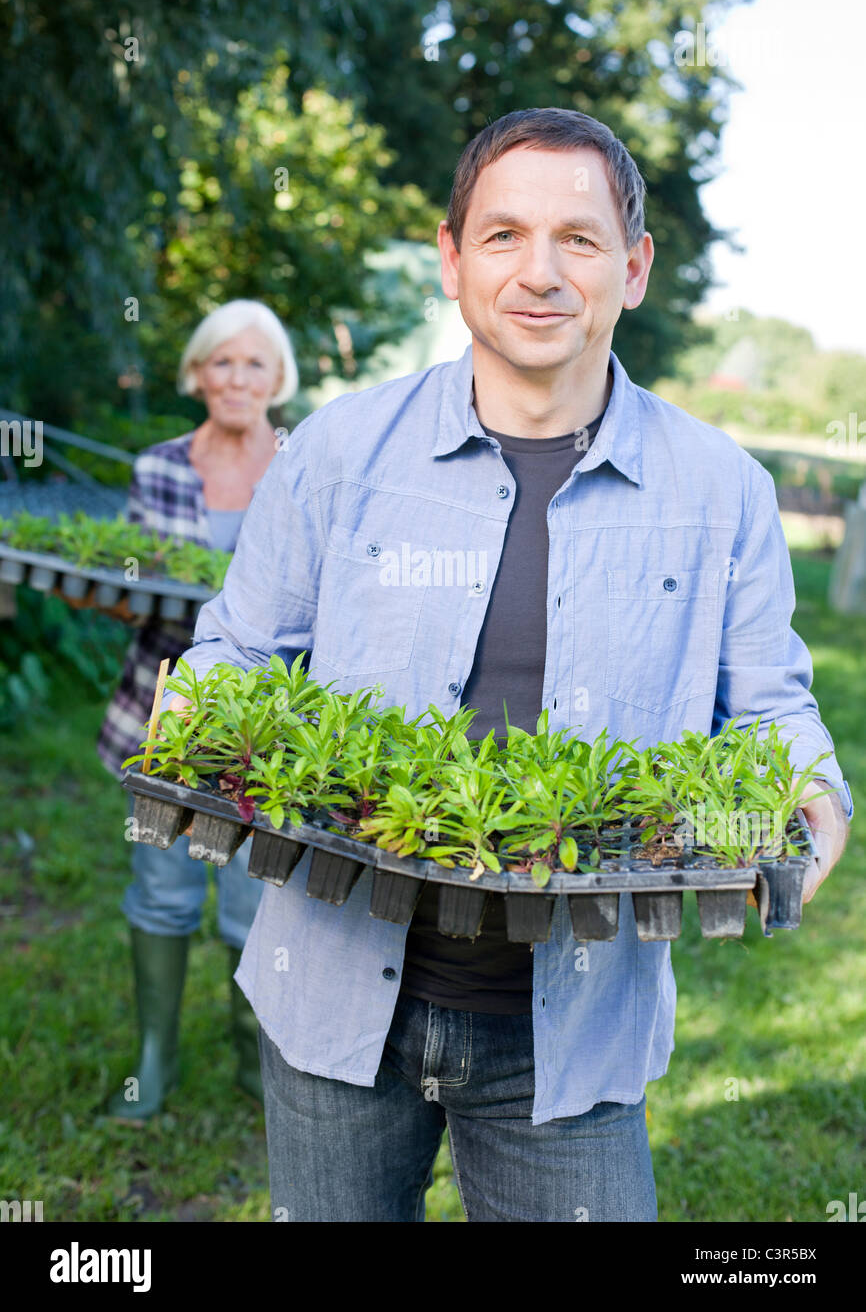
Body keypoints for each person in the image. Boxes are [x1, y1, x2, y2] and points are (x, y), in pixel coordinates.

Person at [161, 109, 853, 1219]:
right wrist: (196, 709)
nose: (538, 273)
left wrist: (807, 797)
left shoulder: (720, 490)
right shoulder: (339, 451)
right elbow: (237, 651)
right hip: (337, 999)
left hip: (572, 1031)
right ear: (451, 259)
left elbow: (768, 708)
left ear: (631, 269)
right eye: (502, 236)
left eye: (577, 240)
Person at [98, 299, 298, 1121]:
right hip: (162, 714)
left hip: (269, 730)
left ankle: (256, 1059)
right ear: (197, 374)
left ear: (277, 377)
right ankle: (155, 1057)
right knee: (163, 882)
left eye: (255, 363)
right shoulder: (159, 469)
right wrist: (118, 584)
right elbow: (123, 585)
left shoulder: (305, 464)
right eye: (222, 362)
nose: (237, 379)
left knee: (258, 894)